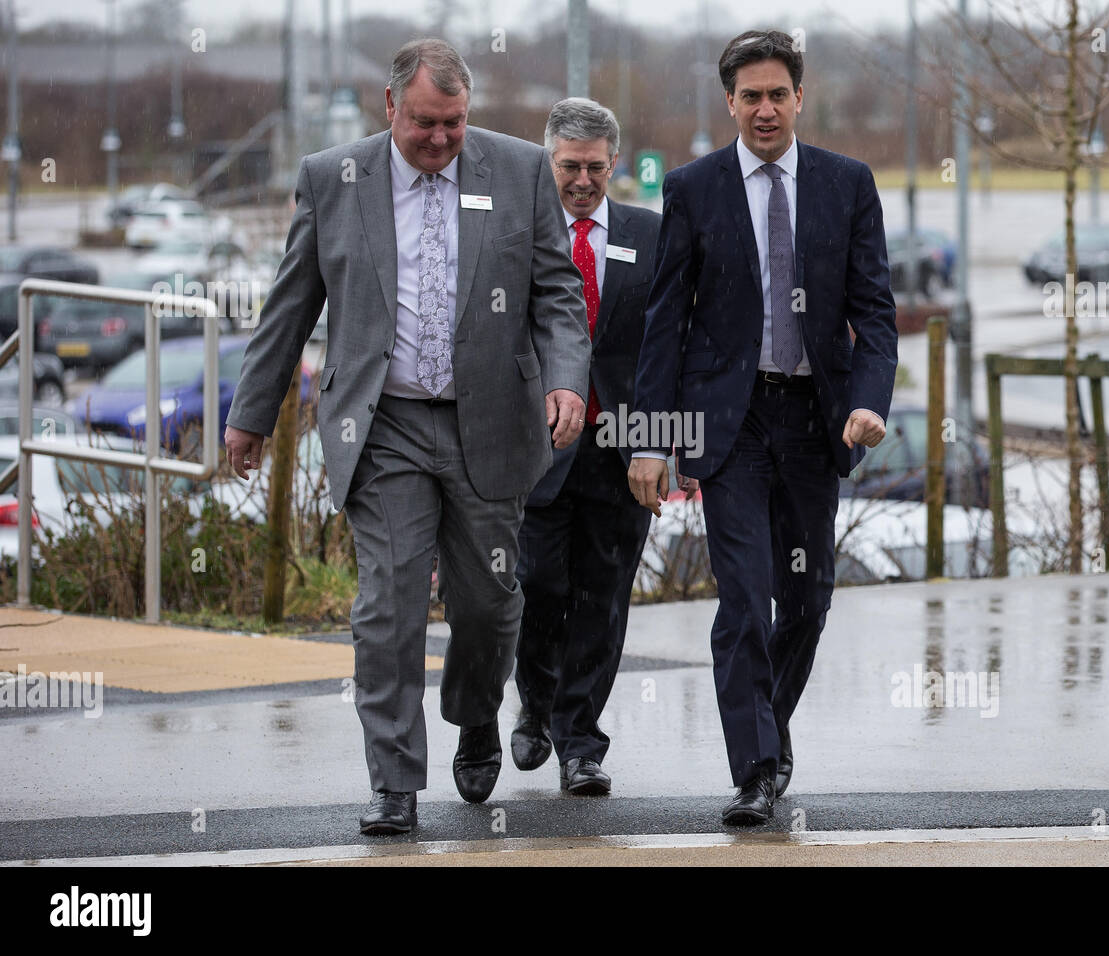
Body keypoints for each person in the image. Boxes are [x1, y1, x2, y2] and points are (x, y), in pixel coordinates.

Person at [224, 38, 590, 835]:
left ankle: (476, 711)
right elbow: (291, 306)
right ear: (390, 107)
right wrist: (251, 415)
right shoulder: (334, 177)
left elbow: (558, 292)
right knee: (387, 607)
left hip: (488, 423)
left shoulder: (521, 169)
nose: (439, 139)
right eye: (424, 122)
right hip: (381, 426)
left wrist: (566, 378)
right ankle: (394, 780)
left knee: (489, 606)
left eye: (454, 124)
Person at [628, 29, 898, 825]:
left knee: (808, 602)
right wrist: (650, 436)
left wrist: (869, 399)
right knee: (743, 600)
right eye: (751, 96)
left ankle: (768, 734)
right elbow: (664, 322)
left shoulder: (847, 185)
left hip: (818, 422)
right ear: (730, 103)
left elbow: (874, 313)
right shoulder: (694, 188)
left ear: (800, 98)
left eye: (779, 93)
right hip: (730, 425)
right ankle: (753, 771)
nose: (766, 108)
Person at [511, 97, 680, 796]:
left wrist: (666, 447)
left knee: (604, 601)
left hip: (624, 452)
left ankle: (582, 744)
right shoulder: (518, 235)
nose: (582, 180)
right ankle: (536, 704)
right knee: (538, 588)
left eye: (595, 167)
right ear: (547, 160)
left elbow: (673, 347)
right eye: (569, 166)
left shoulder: (653, 234)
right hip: (535, 449)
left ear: (615, 163)